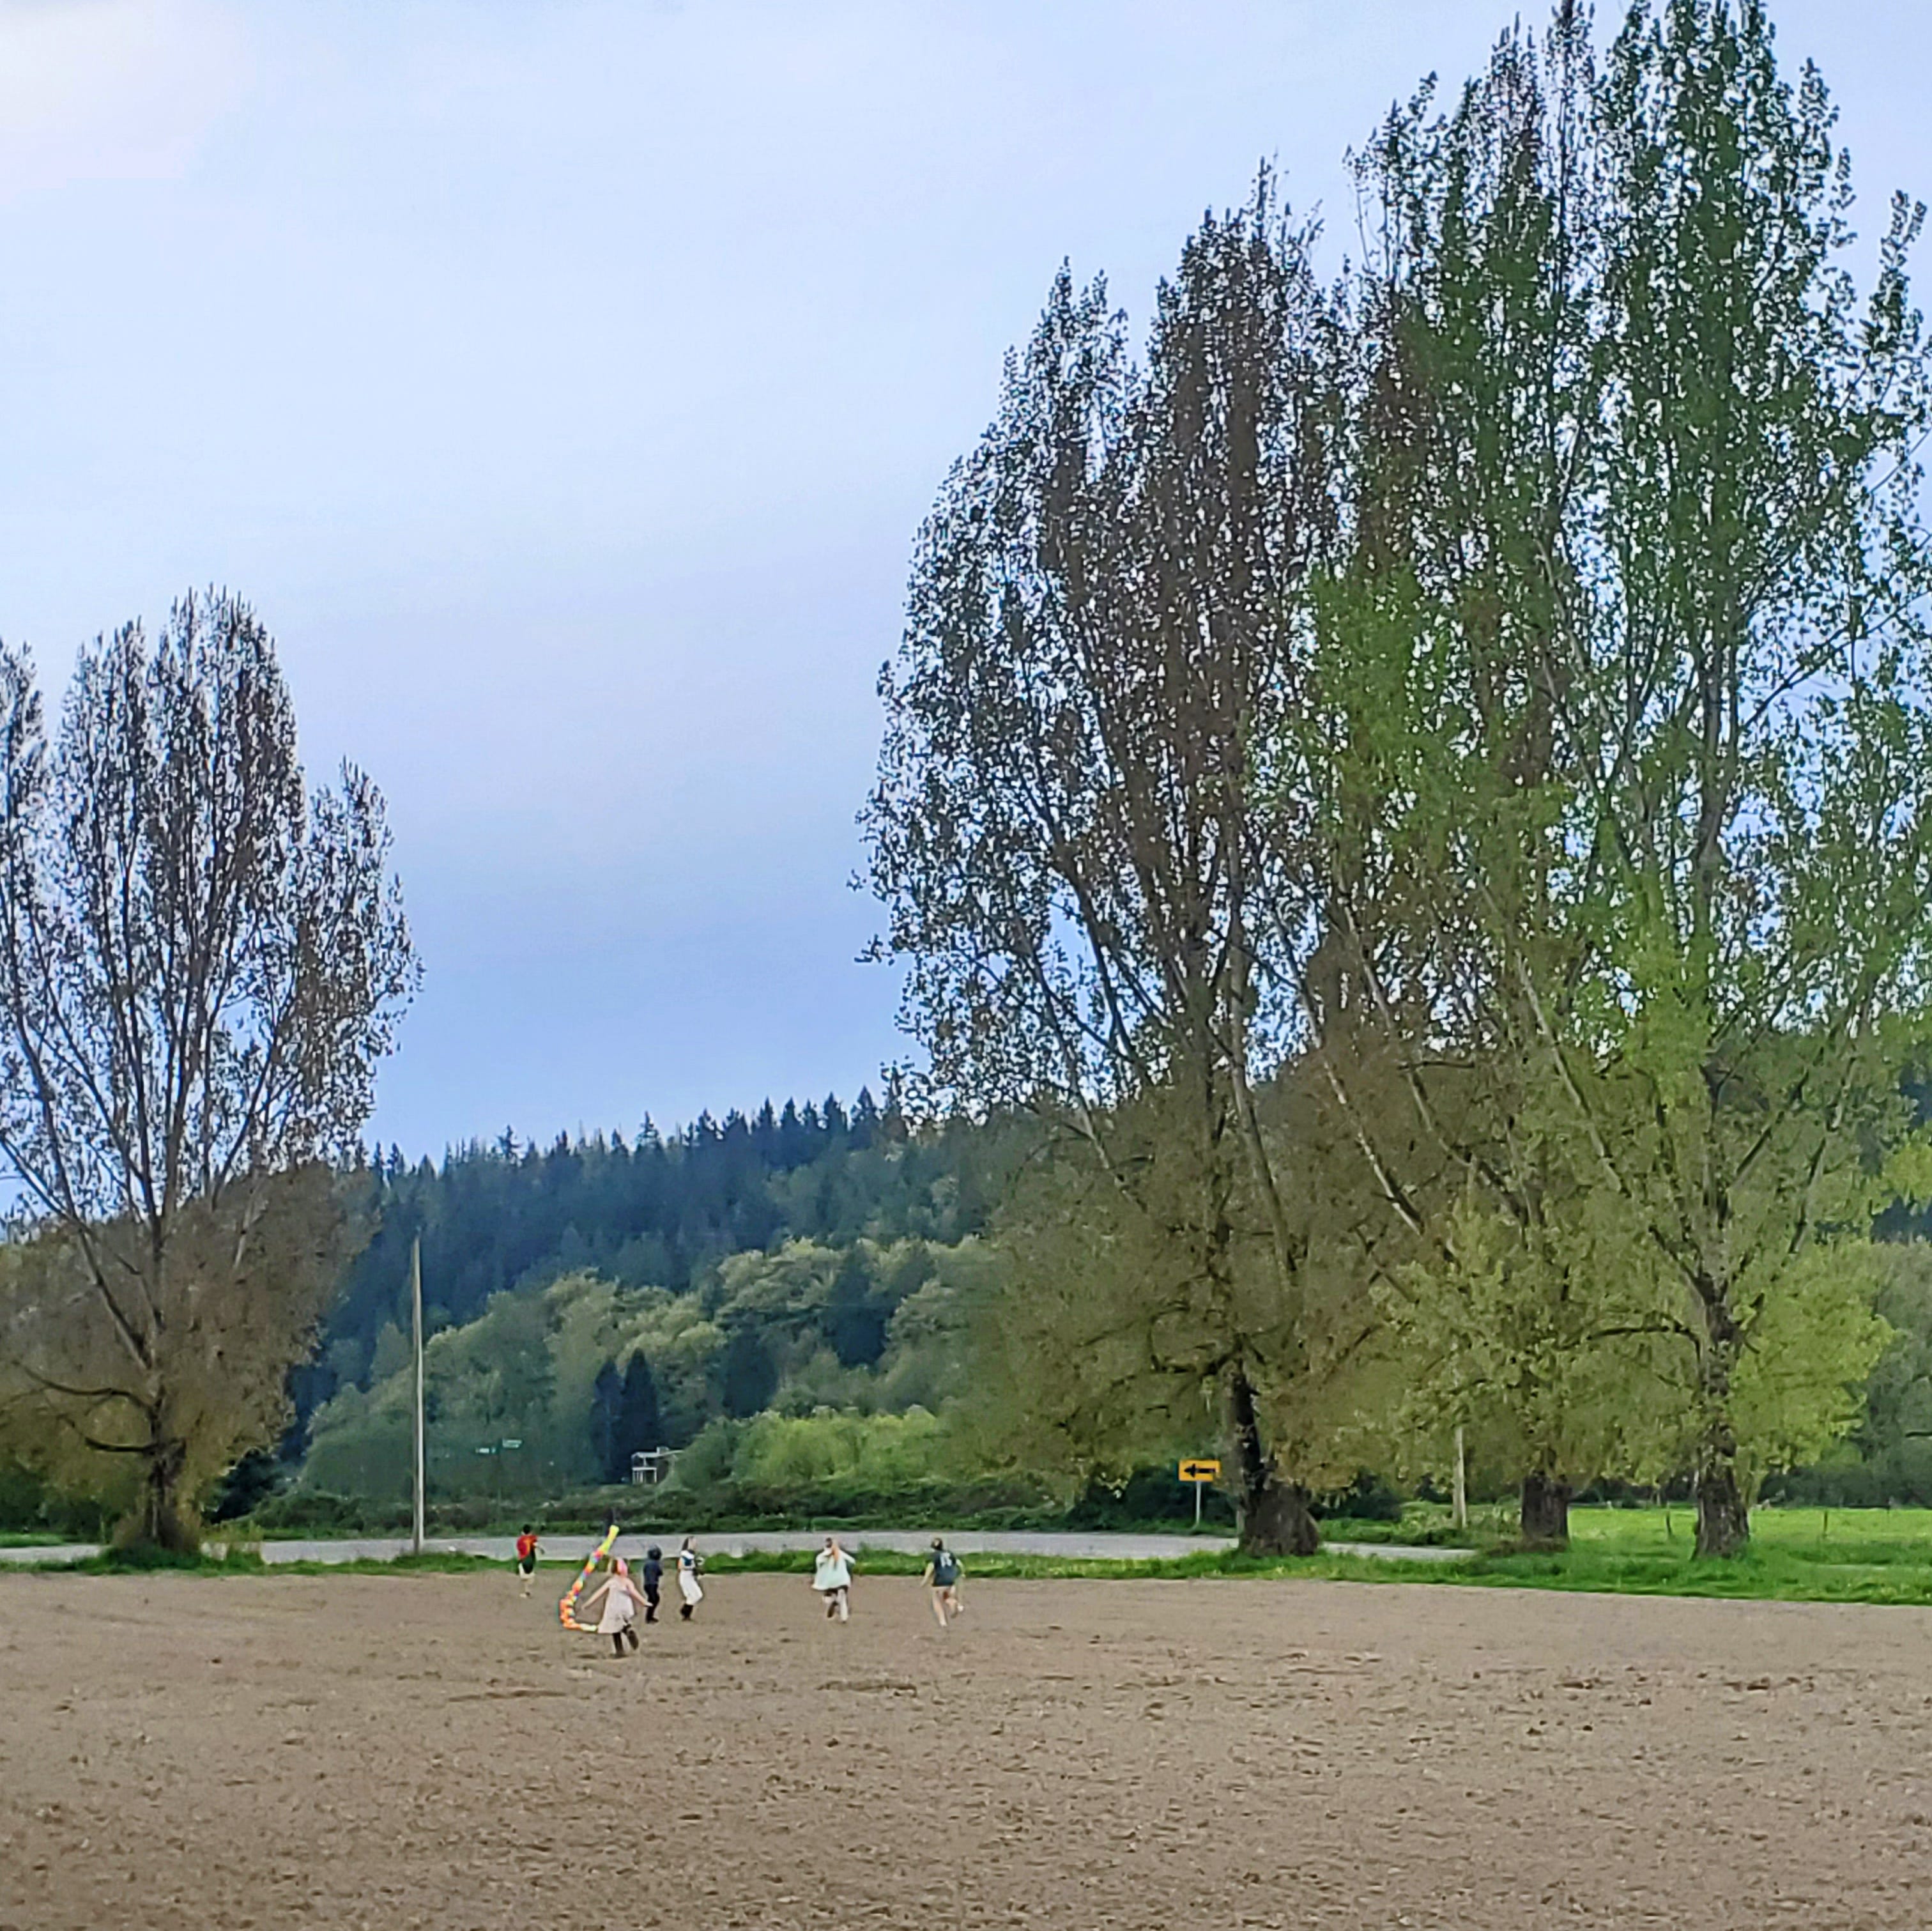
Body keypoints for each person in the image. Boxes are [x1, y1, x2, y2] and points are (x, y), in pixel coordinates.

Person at [581, 1556, 647, 1657]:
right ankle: (628, 1630)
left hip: (614, 1607)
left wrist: (588, 1603)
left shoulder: (611, 1582)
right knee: (623, 1624)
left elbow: (599, 1593)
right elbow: (634, 1593)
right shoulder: (627, 1581)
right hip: (625, 1606)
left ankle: (619, 1650)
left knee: (615, 1630)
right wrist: (644, 1602)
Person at [812, 1535, 854, 1622]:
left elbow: (819, 1564)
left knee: (831, 1597)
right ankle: (844, 1618)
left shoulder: (821, 1556)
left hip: (830, 1583)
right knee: (842, 1597)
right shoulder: (840, 1553)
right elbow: (852, 1561)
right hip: (843, 1580)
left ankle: (835, 1602)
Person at [923, 1537, 962, 1628]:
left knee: (936, 1601)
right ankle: (954, 1604)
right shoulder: (950, 1554)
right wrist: (961, 1574)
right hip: (951, 1582)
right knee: (948, 1598)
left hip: (939, 1582)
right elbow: (959, 1565)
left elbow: (931, 1568)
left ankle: (943, 1622)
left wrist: (925, 1581)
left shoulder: (934, 1556)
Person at [675, 1537, 705, 1620]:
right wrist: (692, 1568)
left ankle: (686, 1612)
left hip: (690, 1576)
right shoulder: (685, 1555)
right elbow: (681, 1566)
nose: (695, 1544)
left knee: (696, 1595)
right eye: (693, 1543)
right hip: (686, 1576)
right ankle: (685, 1612)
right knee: (695, 1595)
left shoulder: (692, 1555)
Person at [514, 1525, 540, 1597]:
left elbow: (519, 1550)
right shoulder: (532, 1538)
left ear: (523, 1532)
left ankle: (530, 1577)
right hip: (531, 1560)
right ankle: (527, 1592)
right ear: (531, 1531)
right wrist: (541, 1550)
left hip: (524, 1559)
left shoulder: (520, 1540)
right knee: (526, 1576)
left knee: (523, 1576)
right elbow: (536, 1545)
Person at [641, 1544, 664, 1624]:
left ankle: (650, 1617)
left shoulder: (647, 1564)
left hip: (647, 1584)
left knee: (653, 1599)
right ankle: (649, 1618)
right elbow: (660, 1573)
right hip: (653, 1584)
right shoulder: (656, 1564)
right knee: (654, 1600)